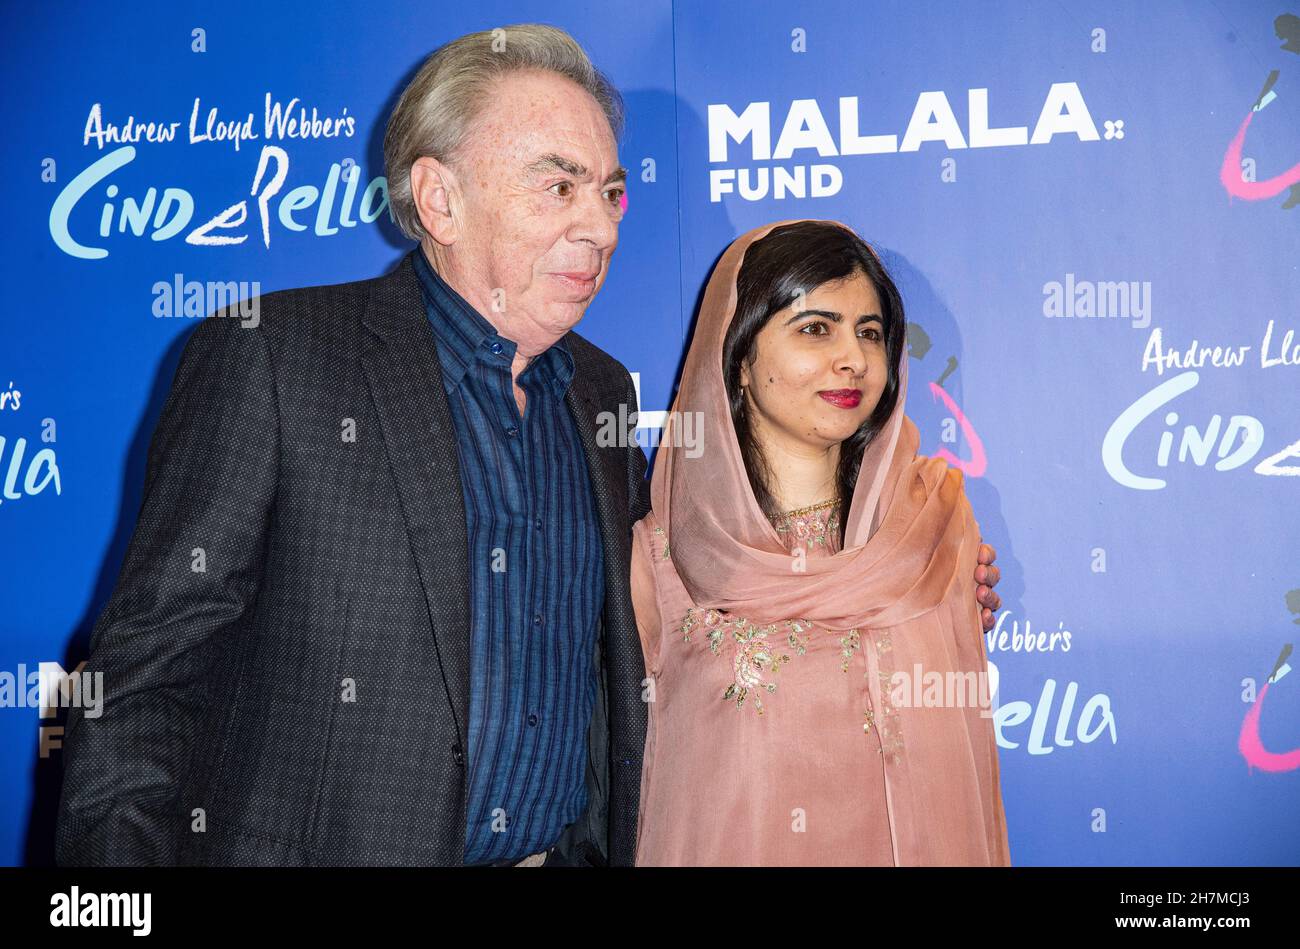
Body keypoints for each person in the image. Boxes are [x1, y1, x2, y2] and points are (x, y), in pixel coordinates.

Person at [54, 26, 1002, 867]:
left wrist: (908, 578)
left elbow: (695, 593)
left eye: (611, 192)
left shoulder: (597, 393)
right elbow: (143, 678)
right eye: (558, 185)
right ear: (438, 198)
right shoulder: (276, 358)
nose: (598, 225)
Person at [630, 219, 1011, 865]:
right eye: (815, 328)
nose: (853, 359)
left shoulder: (933, 524)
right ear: (740, 358)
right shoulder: (666, 559)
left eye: (869, 333)